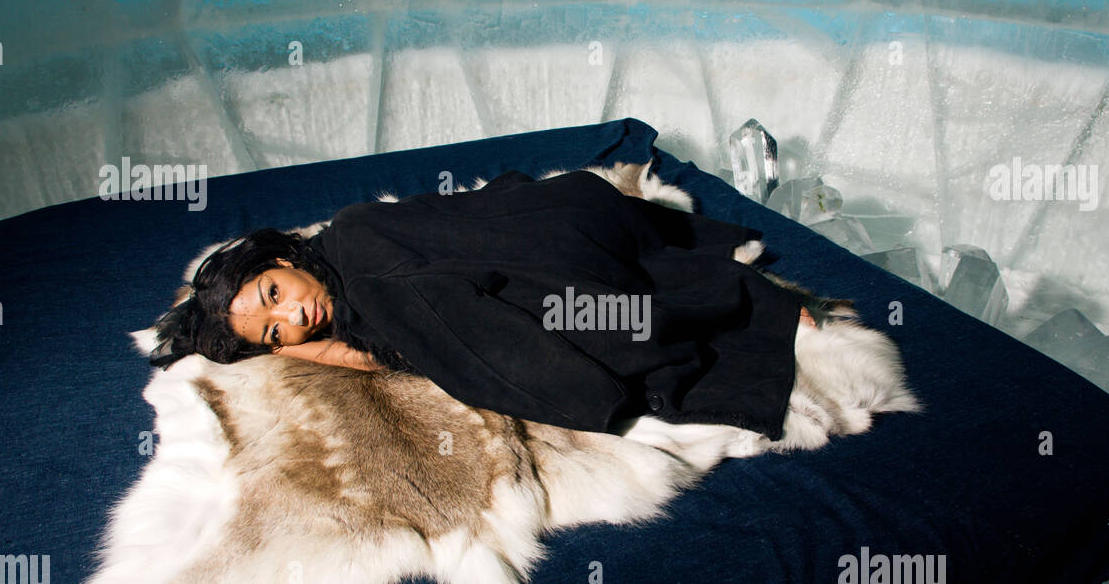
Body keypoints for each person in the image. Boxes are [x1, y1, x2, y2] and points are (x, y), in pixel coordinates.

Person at [151, 168, 817, 440]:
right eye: (274, 334)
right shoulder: (343, 251)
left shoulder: (363, 259)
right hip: (568, 204)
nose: (294, 318)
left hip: (560, 234)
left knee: (615, 327)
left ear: (284, 260)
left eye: (275, 294)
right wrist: (320, 346)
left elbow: (480, 350)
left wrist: (588, 397)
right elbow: (391, 343)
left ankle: (756, 301)